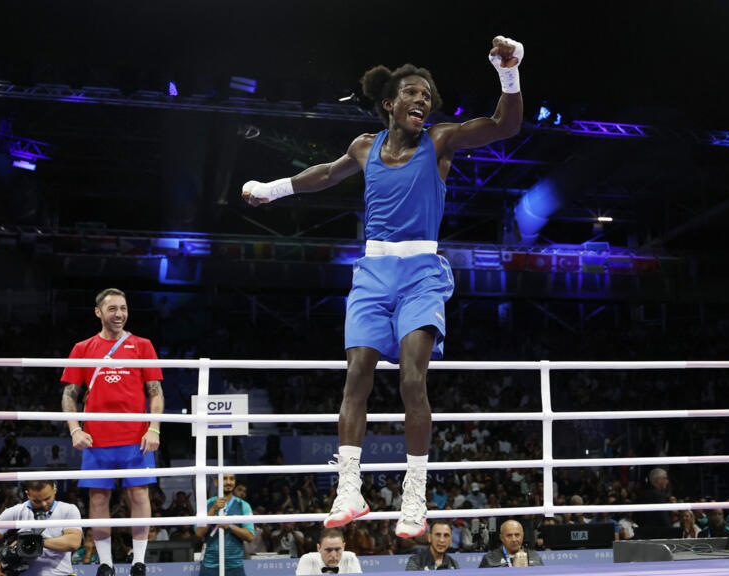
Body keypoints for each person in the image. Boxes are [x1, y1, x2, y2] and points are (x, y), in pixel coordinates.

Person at [241, 35, 524, 539]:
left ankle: (414, 497)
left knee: (412, 378)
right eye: (414, 94)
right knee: (357, 377)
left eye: (429, 96)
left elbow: (506, 125)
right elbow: (327, 174)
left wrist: (509, 72)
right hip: (372, 274)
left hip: (420, 275)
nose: (424, 101)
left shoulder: (440, 141)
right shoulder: (364, 147)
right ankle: (348, 490)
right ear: (390, 103)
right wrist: (273, 188)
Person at [60, 287, 164, 576]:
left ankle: (139, 561)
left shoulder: (143, 345)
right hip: (96, 439)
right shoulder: (82, 348)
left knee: (139, 495)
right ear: (98, 312)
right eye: (112, 309)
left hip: (136, 437)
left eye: (123, 308)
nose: (119, 314)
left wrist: (154, 428)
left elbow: (155, 391)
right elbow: (69, 394)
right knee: (98, 498)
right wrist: (74, 429)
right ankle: (105, 563)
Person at [0, 480, 82, 576]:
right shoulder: (15, 512)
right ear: (28, 494)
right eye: (37, 501)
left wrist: (36, 542)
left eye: (47, 499)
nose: (44, 504)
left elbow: (74, 542)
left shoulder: (68, 510)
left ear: (54, 489)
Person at [196, 474, 255, 576]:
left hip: (235, 567)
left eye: (231, 479)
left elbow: (250, 536)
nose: (228, 482)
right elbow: (198, 533)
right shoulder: (206, 504)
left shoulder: (244, 505)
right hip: (210, 566)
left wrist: (230, 526)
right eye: (224, 478)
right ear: (216, 481)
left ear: (234, 482)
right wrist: (213, 509)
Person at [478, 520, 543, 568]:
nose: (514, 539)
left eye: (517, 535)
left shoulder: (534, 556)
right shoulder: (489, 558)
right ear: (501, 537)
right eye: (509, 535)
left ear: (523, 536)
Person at [295, 528, 362, 574]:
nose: (333, 555)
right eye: (328, 550)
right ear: (319, 548)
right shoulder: (307, 559)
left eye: (337, 549)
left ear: (343, 547)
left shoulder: (350, 558)